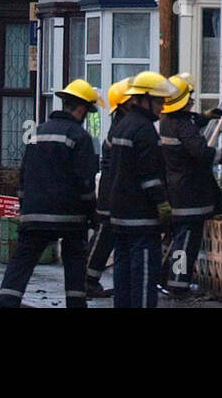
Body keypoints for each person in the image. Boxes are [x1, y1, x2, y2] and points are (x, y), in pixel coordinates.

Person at [0, 79, 101, 308]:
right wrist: (92, 214)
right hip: (70, 218)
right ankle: (76, 304)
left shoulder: (37, 133)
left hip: (34, 214)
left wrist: (26, 208)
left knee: (21, 263)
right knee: (75, 263)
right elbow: (85, 183)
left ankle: (6, 301)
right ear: (81, 108)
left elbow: (23, 177)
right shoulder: (79, 137)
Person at [158, 75, 222, 297]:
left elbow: (188, 128)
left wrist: (204, 118)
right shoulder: (182, 126)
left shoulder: (168, 123)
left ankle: (163, 278)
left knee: (175, 239)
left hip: (175, 191)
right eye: (189, 98)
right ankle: (178, 284)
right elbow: (200, 152)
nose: (192, 101)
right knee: (185, 243)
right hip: (189, 195)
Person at [107, 70, 177, 308]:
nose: (161, 108)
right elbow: (149, 176)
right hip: (141, 217)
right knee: (144, 276)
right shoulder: (145, 130)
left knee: (123, 276)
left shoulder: (122, 126)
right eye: (158, 101)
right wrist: (162, 205)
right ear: (143, 99)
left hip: (120, 214)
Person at [86, 77, 131, 298]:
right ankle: (87, 279)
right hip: (111, 191)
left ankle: (88, 279)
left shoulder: (121, 125)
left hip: (112, 190)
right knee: (104, 237)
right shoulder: (122, 128)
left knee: (106, 236)